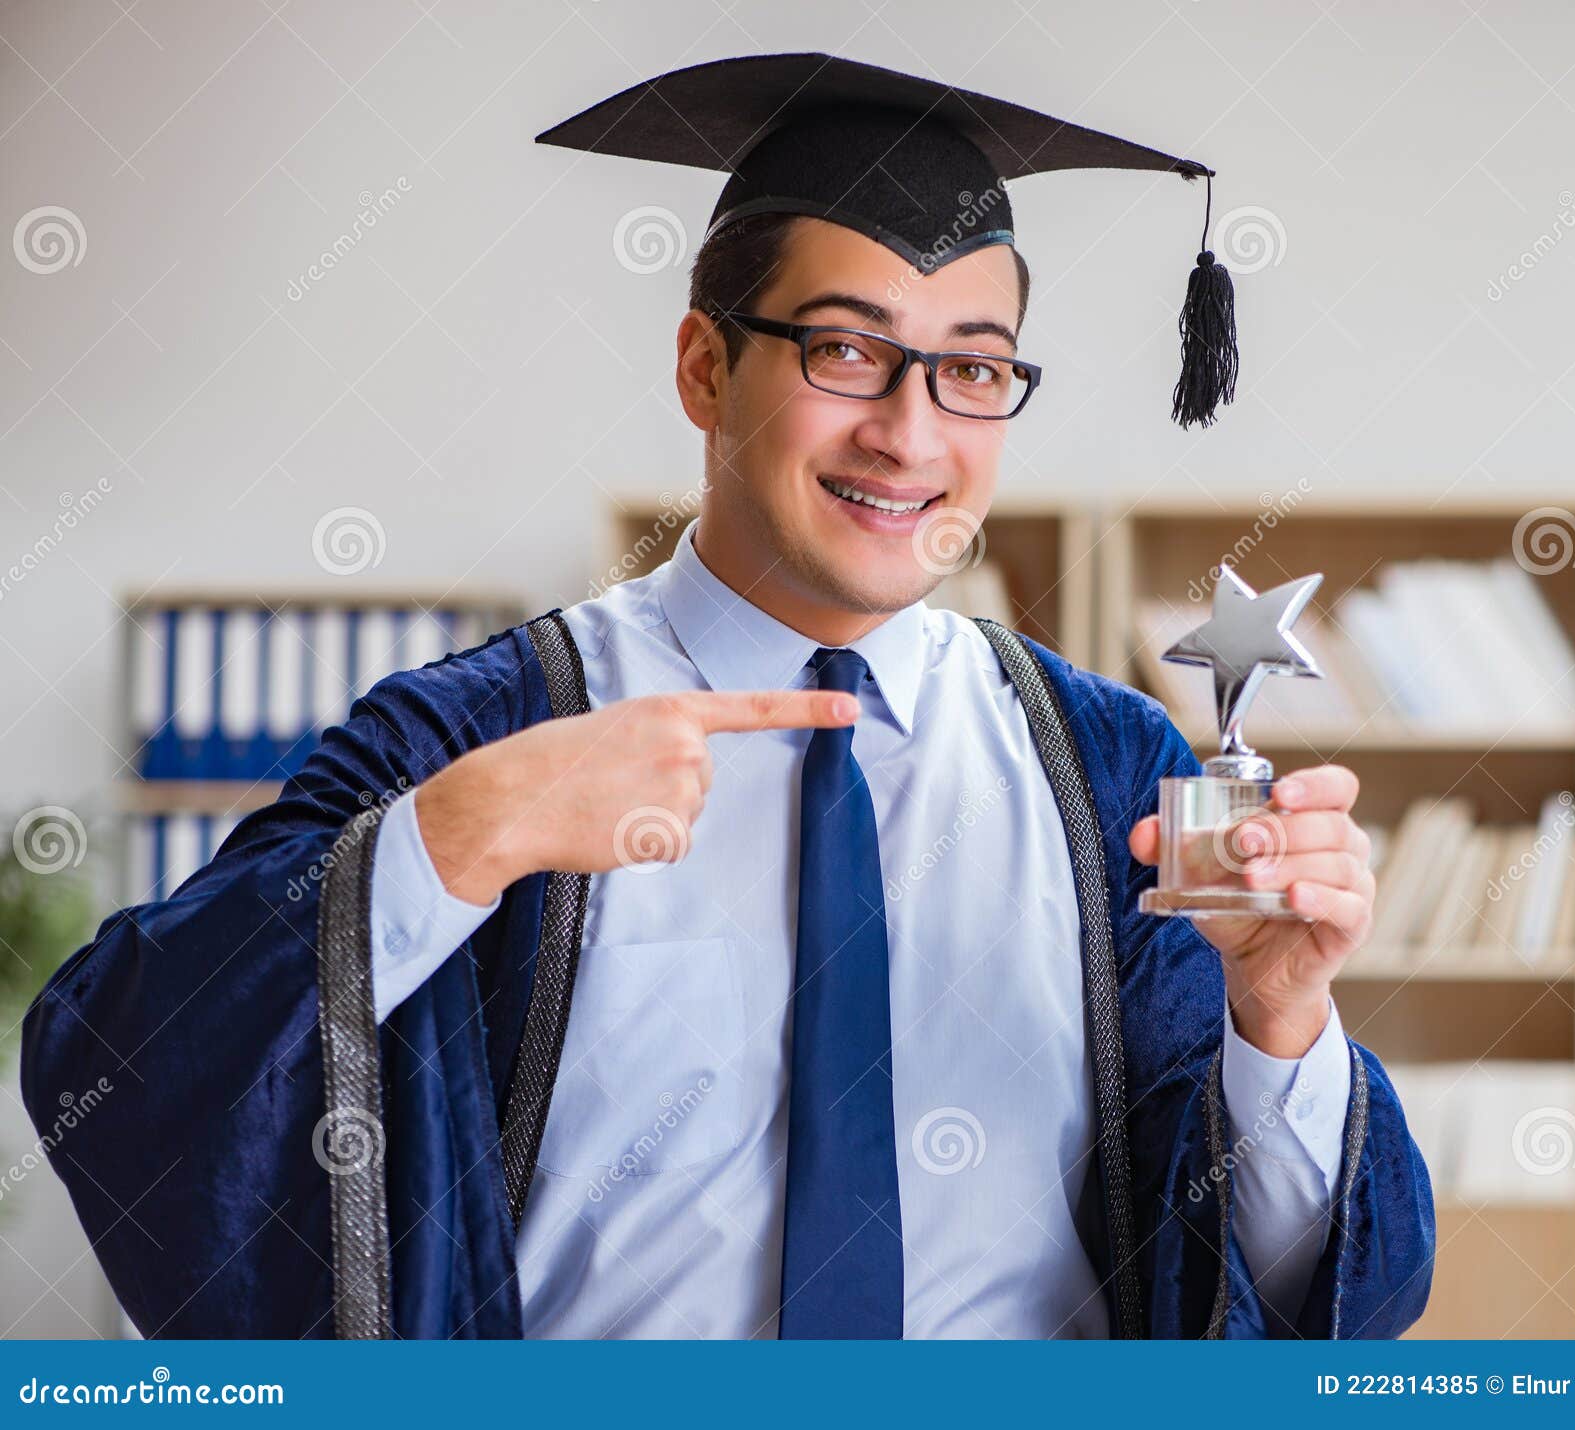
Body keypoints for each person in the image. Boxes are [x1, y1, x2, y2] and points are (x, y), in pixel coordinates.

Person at [21, 53, 1432, 1340]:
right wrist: (454, 839)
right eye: (846, 350)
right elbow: (126, 1070)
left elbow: (1285, 1294)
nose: (911, 433)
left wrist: (1279, 1025)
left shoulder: (1106, 766)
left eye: (973, 368)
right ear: (706, 368)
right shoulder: (485, 730)